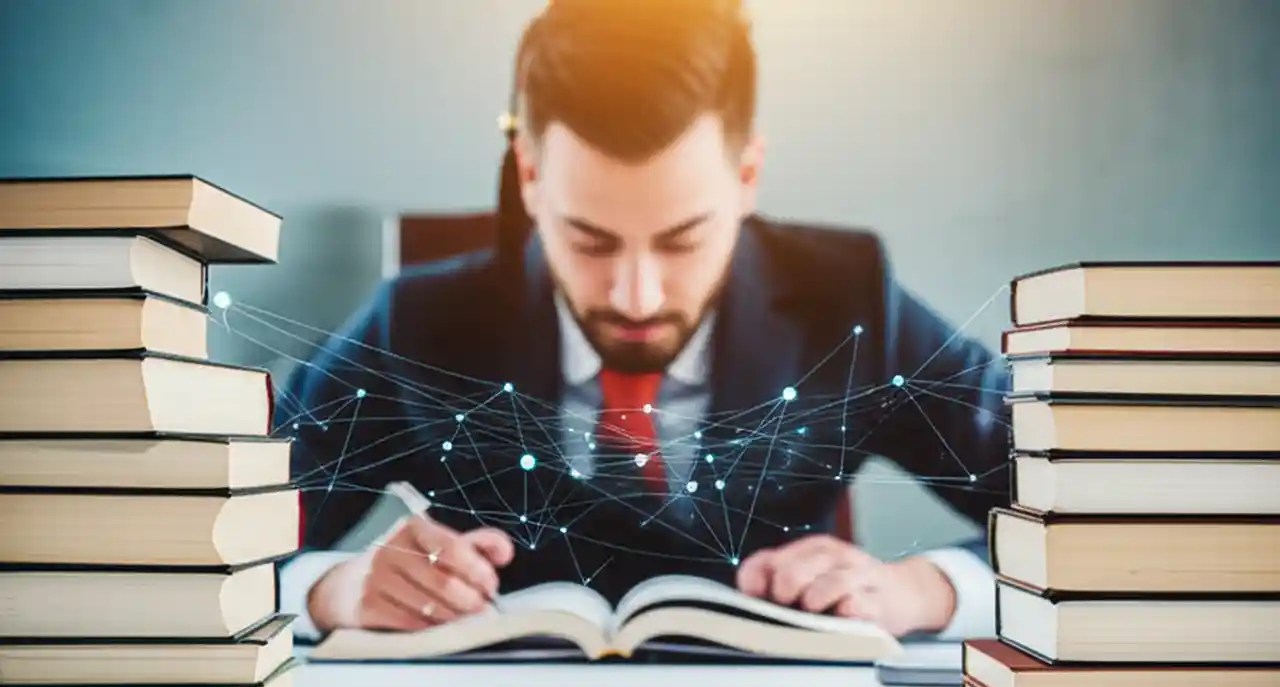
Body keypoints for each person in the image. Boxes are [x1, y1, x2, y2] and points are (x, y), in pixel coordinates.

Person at [278, 0, 1009, 643]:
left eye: (683, 239)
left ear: (748, 176)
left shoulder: (848, 300)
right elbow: (201, 529)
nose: (636, 296)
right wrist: (329, 590)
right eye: (589, 240)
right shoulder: (417, 322)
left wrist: (925, 590)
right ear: (530, 177)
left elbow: (1082, 510)